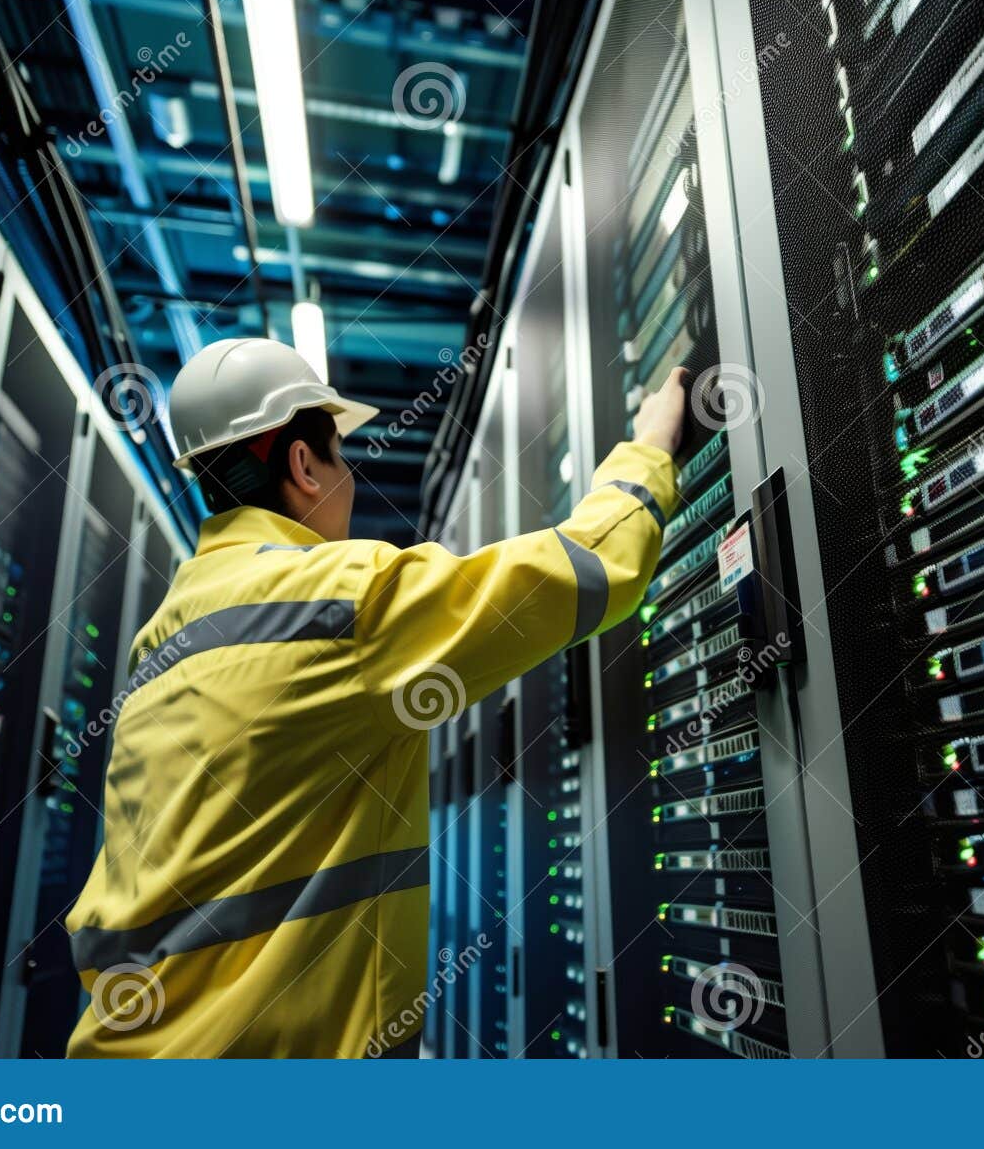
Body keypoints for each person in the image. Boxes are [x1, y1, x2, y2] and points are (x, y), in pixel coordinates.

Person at [65, 337, 689, 1057]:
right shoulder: (339, 601)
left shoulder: (162, 637)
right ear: (302, 464)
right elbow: (585, 573)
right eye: (340, 456)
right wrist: (652, 445)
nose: (349, 482)